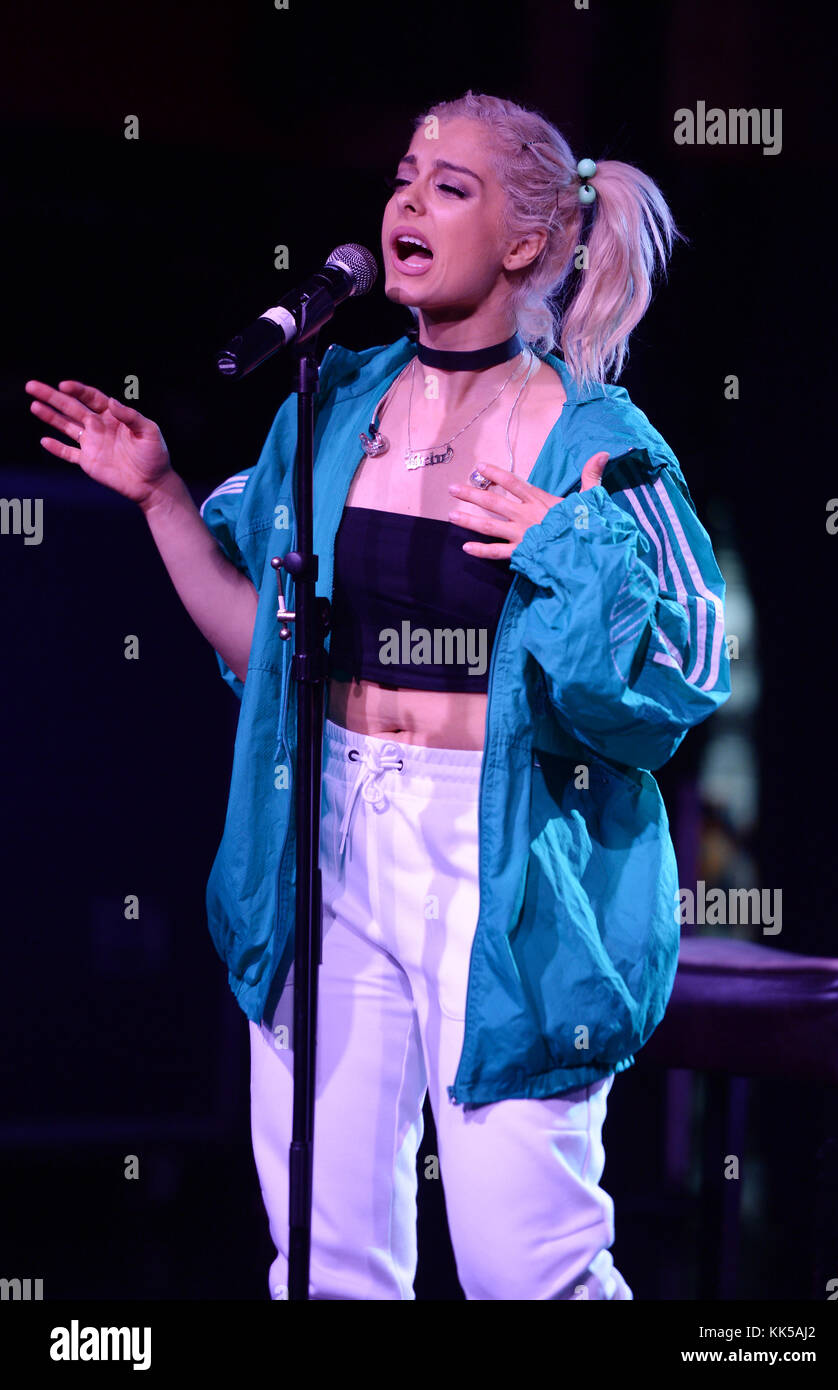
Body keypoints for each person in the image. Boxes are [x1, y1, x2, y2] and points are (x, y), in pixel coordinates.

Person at [25, 90, 731, 1300]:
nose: (405, 200)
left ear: (524, 242)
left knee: (530, 1265)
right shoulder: (337, 404)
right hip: (329, 836)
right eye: (404, 174)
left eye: (447, 186)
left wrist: (566, 546)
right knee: (323, 1254)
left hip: (500, 860)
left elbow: (683, 672)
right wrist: (156, 498)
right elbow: (265, 654)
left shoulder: (594, 439)